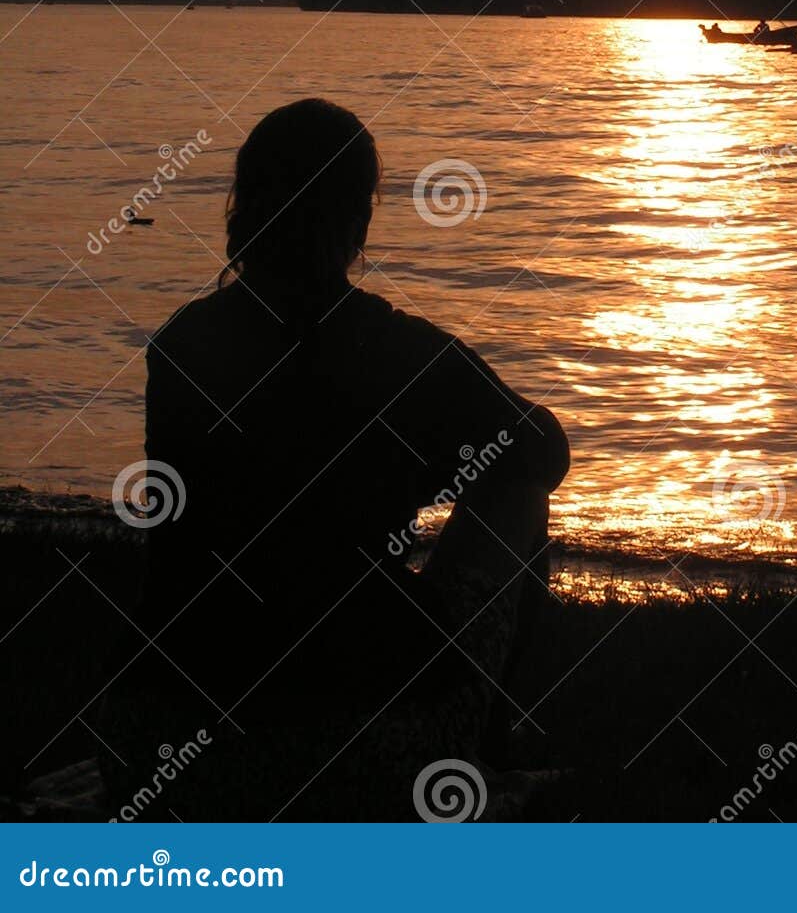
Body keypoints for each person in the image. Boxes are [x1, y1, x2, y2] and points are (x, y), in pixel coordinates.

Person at [103, 98, 569, 821]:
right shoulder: (401, 349)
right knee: (517, 494)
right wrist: (440, 469)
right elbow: (545, 449)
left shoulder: (181, 345)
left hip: (166, 745)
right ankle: (483, 749)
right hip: (355, 744)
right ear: (356, 219)